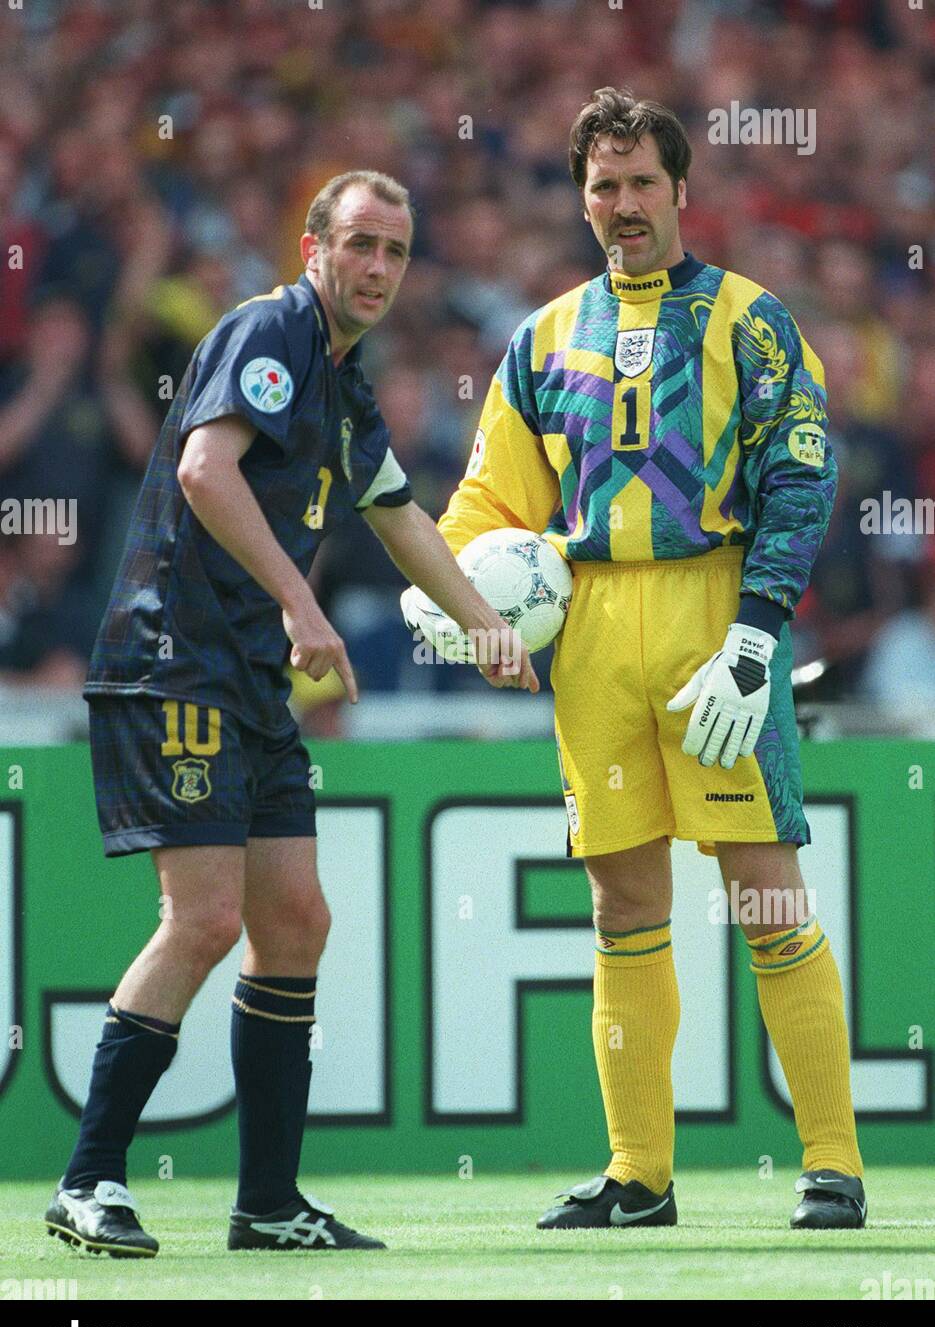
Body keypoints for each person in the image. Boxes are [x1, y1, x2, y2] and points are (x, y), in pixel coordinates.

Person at [46, 169, 536, 1259]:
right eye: (357, 244)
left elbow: (400, 516)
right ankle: (88, 1181)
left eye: (393, 253)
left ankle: (266, 1201)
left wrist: (484, 625)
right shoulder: (268, 331)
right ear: (312, 245)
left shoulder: (348, 386)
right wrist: (300, 599)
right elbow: (205, 470)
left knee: (296, 921)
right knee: (206, 917)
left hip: (249, 676)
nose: (374, 268)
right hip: (175, 662)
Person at [406, 90, 866, 1232]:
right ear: (580, 198)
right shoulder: (540, 336)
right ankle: (636, 1176)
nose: (620, 206)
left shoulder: (751, 321)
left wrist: (756, 637)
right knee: (620, 903)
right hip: (593, 631)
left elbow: (803, 479)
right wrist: (456, 603)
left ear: (679, 191)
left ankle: (831, 1165)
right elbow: (482, 505)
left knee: (763, 891)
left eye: (639, 184)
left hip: (717, 616)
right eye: (600, 187)